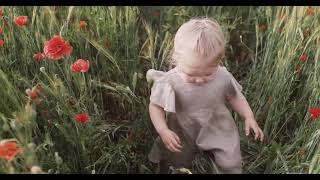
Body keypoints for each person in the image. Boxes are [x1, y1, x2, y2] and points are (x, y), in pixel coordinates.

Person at [146, 18, 264, 174]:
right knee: (177, 162)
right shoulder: (170, 81)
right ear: (177, 60)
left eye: (208, 73)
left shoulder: (223, 77)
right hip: (182, 129)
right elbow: (155, 106)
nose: (200, 79)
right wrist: (163, 130)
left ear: (218, 62)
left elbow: (235, 96)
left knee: (231, 163)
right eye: (191, 74)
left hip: (216, 126)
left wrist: (249, 116)